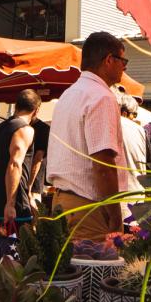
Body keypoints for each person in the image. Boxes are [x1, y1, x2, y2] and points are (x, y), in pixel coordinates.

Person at [46, 31, 127, 239]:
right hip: (87, 207)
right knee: (90, 270)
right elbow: (103, 164)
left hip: (64, 201)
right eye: (123, 60)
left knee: (70, 269)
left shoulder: (70, 93)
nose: (125, 66)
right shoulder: (101, 97)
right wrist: (116, 217)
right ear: (109, 60)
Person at [0, 88, 42, 260]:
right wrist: (11, 203)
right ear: (36, 110)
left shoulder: (1, 127)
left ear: (16, 106)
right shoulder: (25, 129)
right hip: (9, 205)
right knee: (14, 264)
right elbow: (15, 164)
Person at [116, 90, 149, 217]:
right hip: (137, 195)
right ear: (124, 113)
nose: (134, 119)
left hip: (115, 196)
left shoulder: (108, 124)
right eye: (134, 115)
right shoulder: (140, 130)